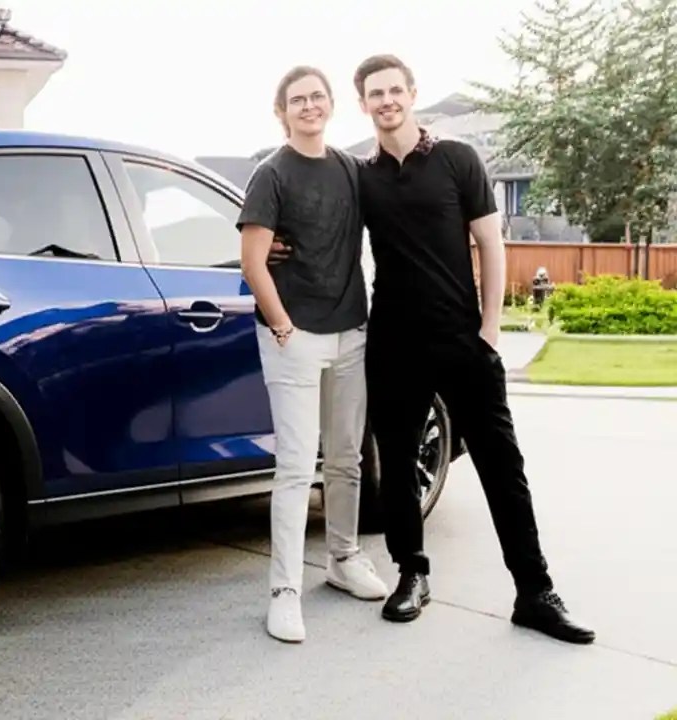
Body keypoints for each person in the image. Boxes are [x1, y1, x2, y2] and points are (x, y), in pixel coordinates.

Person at [351, 53, 594, 644]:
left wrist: (490, 330)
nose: (386, 101)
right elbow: (318, 225)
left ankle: (534, 592)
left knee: (502, 469)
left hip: (463, 338)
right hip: (394, 343)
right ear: (363, 105)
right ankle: (412, 575)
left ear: (412, 93)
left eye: (394, 90)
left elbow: (491, 241)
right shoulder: (362, 177)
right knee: (399, 467)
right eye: (374, 94)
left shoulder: (458, 160)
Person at [237, 65, 389, 644]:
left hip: (352, 332)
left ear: (332, 106)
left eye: (317, 97)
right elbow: (254, 262)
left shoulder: (351, 169)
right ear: (282, 112)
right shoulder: (270, 175)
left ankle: (344, 559)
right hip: (294, 338)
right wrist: (282, 328)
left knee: (347, 459)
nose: (308, 106)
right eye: (297, 99)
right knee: (298, 469)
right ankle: (283, 591)